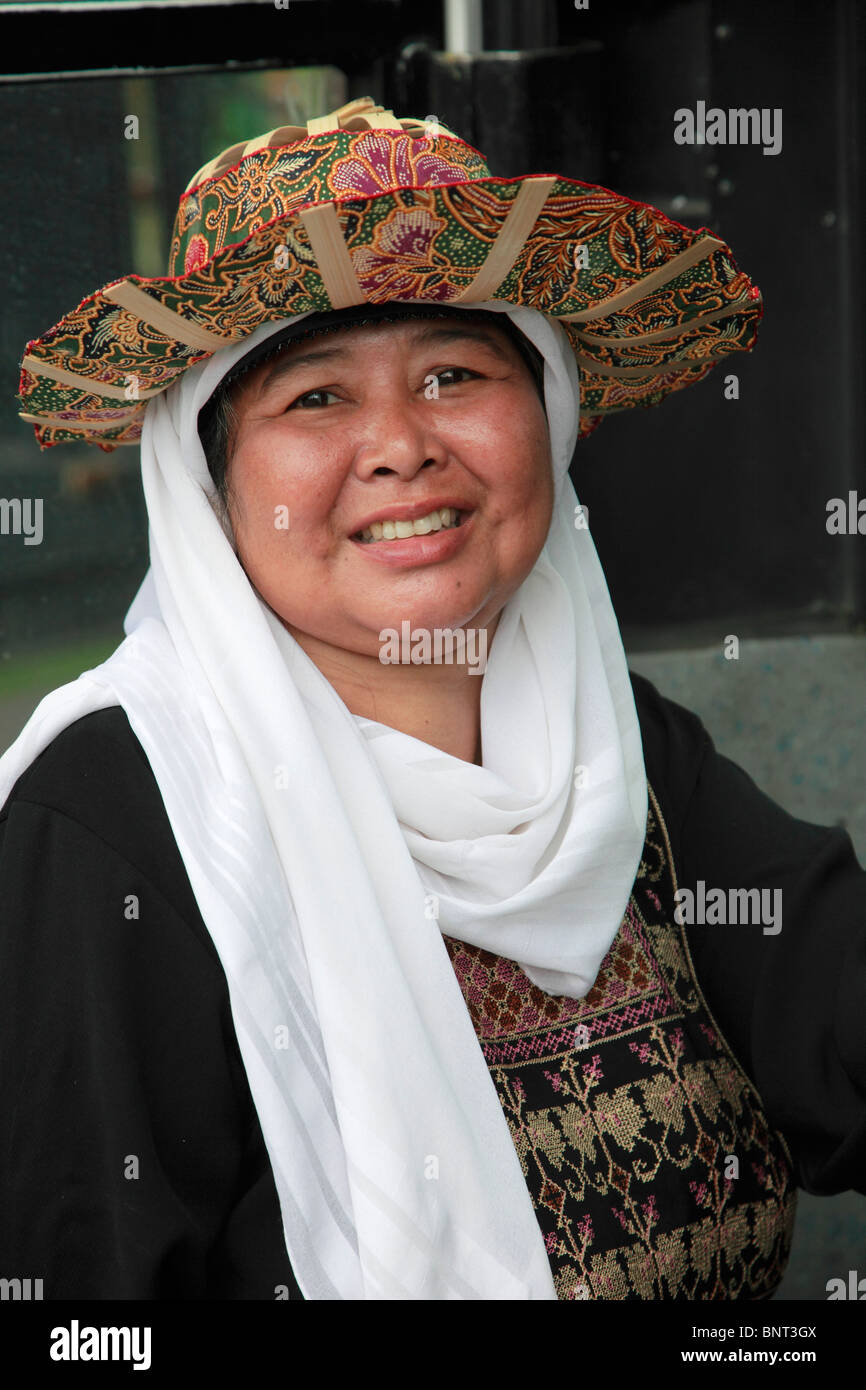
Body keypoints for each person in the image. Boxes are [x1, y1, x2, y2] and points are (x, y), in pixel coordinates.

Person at [2, 96, 863, 1301]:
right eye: (314, 397)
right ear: (210, 484)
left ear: (546, 421)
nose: (400, 446)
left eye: (454, 372)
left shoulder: (614, 754)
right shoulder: (109, 828)